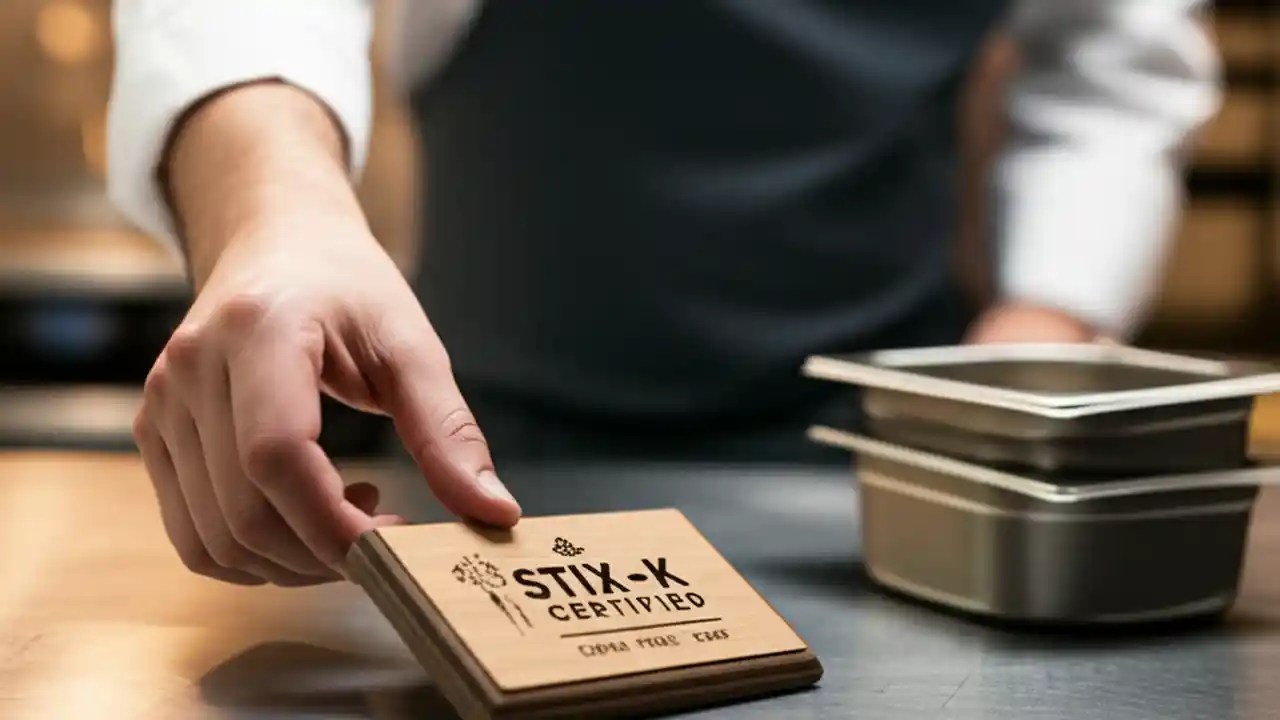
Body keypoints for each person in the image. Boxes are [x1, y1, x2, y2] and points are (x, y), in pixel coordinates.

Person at [107, 1, 1221, 587]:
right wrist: (273, 204)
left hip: (873, 473)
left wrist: (1035, 332)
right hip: (485, 460)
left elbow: (1107, 68)